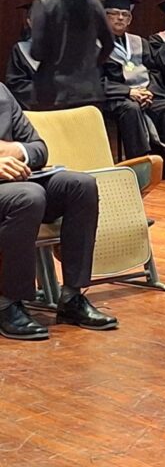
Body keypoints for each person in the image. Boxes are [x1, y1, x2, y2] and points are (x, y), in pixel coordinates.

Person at [0, 83, 117, 340]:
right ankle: (8, 303)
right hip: (19, 194)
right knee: (29, 196)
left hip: (17, 185)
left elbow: (39, 148)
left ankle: (72, 297)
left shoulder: (1, 92)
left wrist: (17, 150)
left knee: (80, 185)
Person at [29, 0, 114, 109]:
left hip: (53, 93)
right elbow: (109, 44)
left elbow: (37, 53)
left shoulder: (45, 3)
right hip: (90, 90)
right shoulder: (94, 0)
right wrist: (91, 64)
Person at [100, 0, 165, 162]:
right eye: (114, 13)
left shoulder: (140, 42)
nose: (120, 18)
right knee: (131, 108)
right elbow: (94, 80)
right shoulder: (94, 45)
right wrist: (128, 91)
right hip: (114, 96)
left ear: (130, 19)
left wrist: (149, 92)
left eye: (125, 14)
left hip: (144, 94)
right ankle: (140, 162)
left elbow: (154, 70)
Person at [5, 2, 38, 109]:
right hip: (37, 116)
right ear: (30, 22)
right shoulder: (22, 50)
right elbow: (16, 85)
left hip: (76, 115)